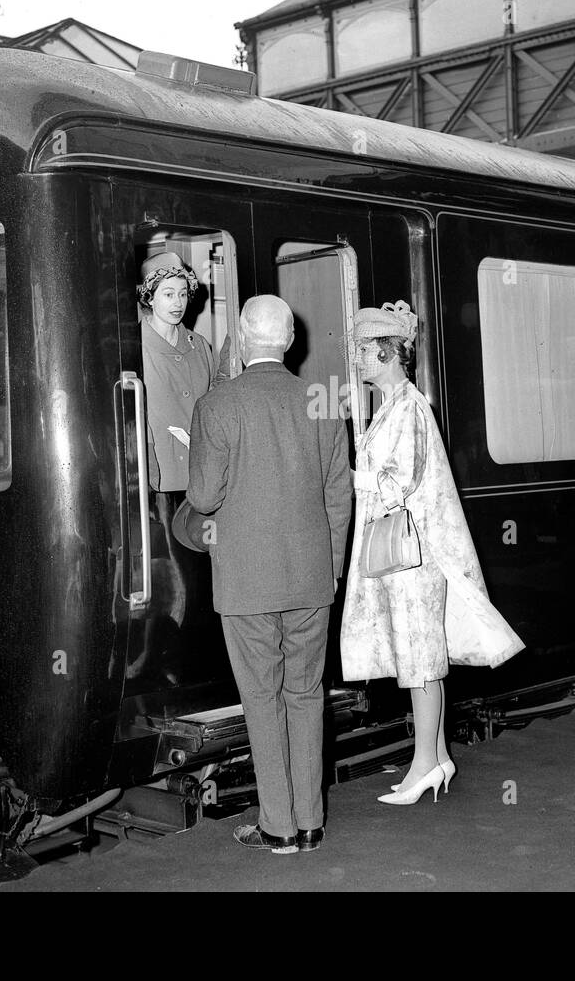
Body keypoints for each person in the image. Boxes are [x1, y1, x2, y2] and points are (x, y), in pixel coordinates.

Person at [341, 301, 524, 805]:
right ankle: (436, 756)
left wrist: (348, 478)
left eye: (361, 351)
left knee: (420, 662)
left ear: (384, 353)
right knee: (420, 658)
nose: (356, 360)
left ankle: (424, 764)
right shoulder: (397, 406)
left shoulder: (408, 408)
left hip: (411, 560)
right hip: (409, 556)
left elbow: (399, 483)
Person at [186, 295, 352, 854]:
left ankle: (277, 825)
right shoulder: (322, 402)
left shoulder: (217, 404)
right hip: (310, 578)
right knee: (308, 694)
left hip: (247, 581)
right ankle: (311, 822)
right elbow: (338, 495)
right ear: (288, 341)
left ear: (240, 336)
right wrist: (330, 569)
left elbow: (204, 496)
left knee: (263, 699)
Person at [137, 251, 214, 493]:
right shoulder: (133, 347)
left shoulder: (199, 344)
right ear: (149, 298)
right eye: (168, 295)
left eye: (182, 294)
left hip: (203, 471)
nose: (178, 303)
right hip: (160, 476)